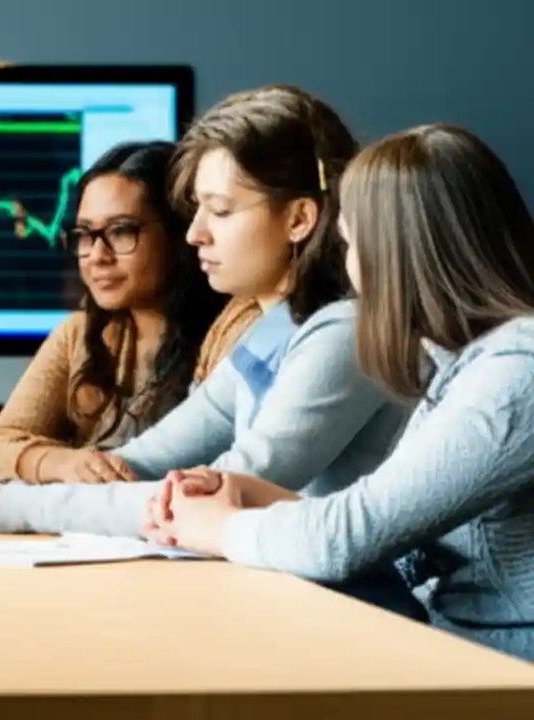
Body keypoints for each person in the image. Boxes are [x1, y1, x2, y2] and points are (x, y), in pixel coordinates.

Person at [0, 86, 409, 541]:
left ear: (299, 218)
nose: (195, 234)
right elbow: (145, 459)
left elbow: (221, 495)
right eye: (196, 210)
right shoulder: (274, 330)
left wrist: (7, 508)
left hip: (361, 607)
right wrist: (51, 483)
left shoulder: (345, 336)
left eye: (220, 210)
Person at [148, 125, 534, 660]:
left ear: (394, 251)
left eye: (350, 243)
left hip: (496, 671)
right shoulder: (465, 364)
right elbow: (390, 537)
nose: (349, 269)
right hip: (458, 654)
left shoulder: (516, 373)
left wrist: (222, 528)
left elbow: (347, 538)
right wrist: (250, 494)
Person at [0, 141, 233, 484]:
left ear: (180, 233)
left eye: (121, 231)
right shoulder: (80, 333)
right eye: (84, 234)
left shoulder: (231, 333)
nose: (96, 256)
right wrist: (59, 463)